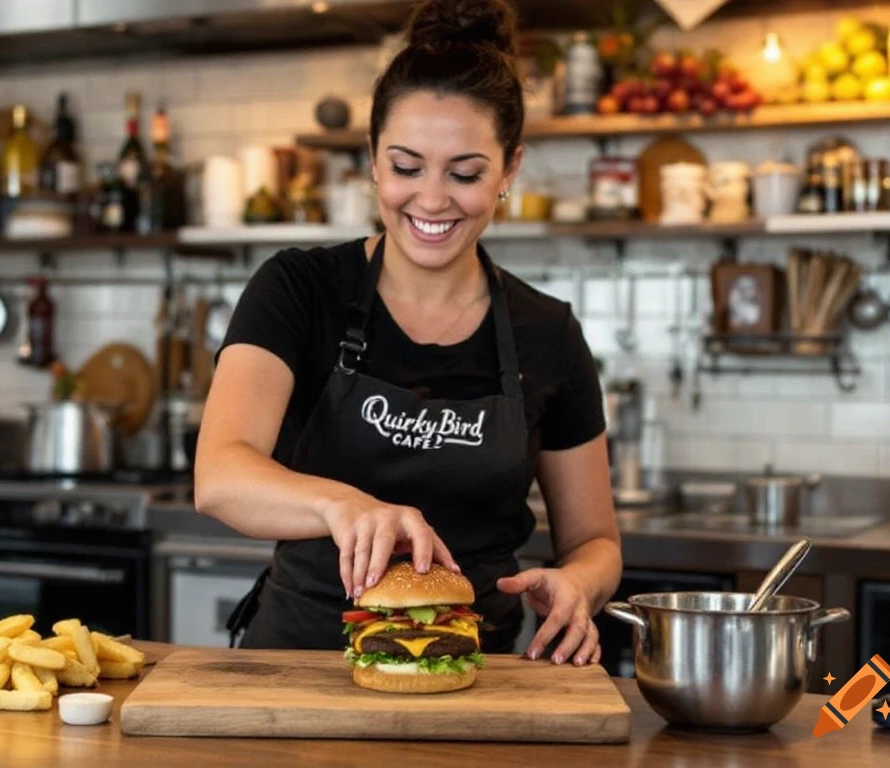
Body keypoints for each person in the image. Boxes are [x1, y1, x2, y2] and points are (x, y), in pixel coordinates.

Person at [195, 0, 622, 667]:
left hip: (479, 677)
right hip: (300, 671)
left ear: (509, 169)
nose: (430, 199)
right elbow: (219, 475)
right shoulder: (299, 290)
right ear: (371, 160)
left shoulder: (548, 332)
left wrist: (578, 585)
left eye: (465, 173)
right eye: (406, 166)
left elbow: (596, 540)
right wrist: (346, 507)